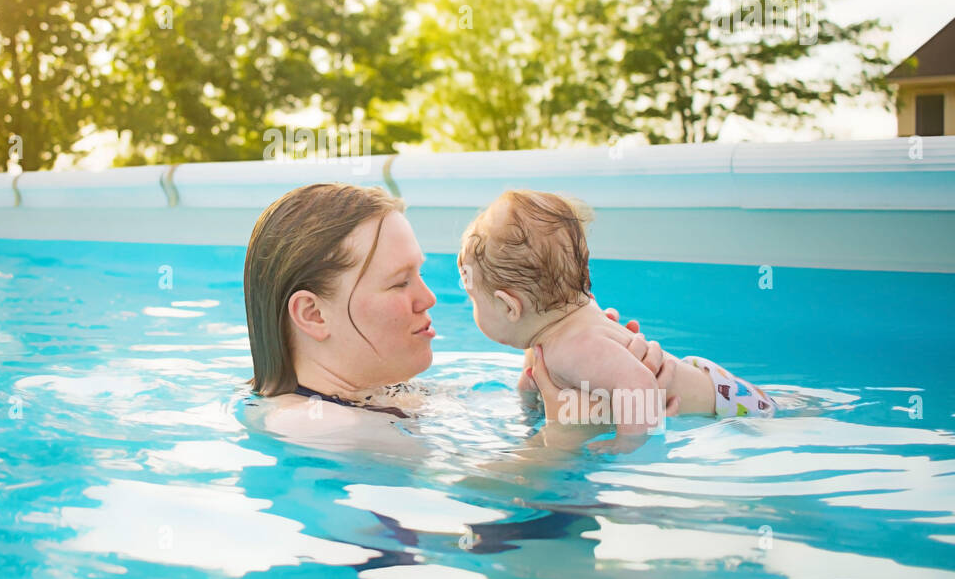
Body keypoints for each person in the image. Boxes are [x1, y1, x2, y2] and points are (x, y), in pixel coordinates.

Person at [242, 182, 676, 454]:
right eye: (399, 283)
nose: (428, 297)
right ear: (313, 314)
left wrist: (554, 377)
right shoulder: (316, 427)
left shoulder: (382, 395)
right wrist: (569, 438)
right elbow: (470, 510)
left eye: (420, 274)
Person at [460, 190, 778, 453]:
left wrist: (629, 444)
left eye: (473, 299)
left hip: (733, 410)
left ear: (509, 307)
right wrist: (528, 391)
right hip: (719, 385)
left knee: (783, 422)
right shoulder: (569, 321)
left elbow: (638, 385)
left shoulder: (573, 348)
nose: (473, 307)